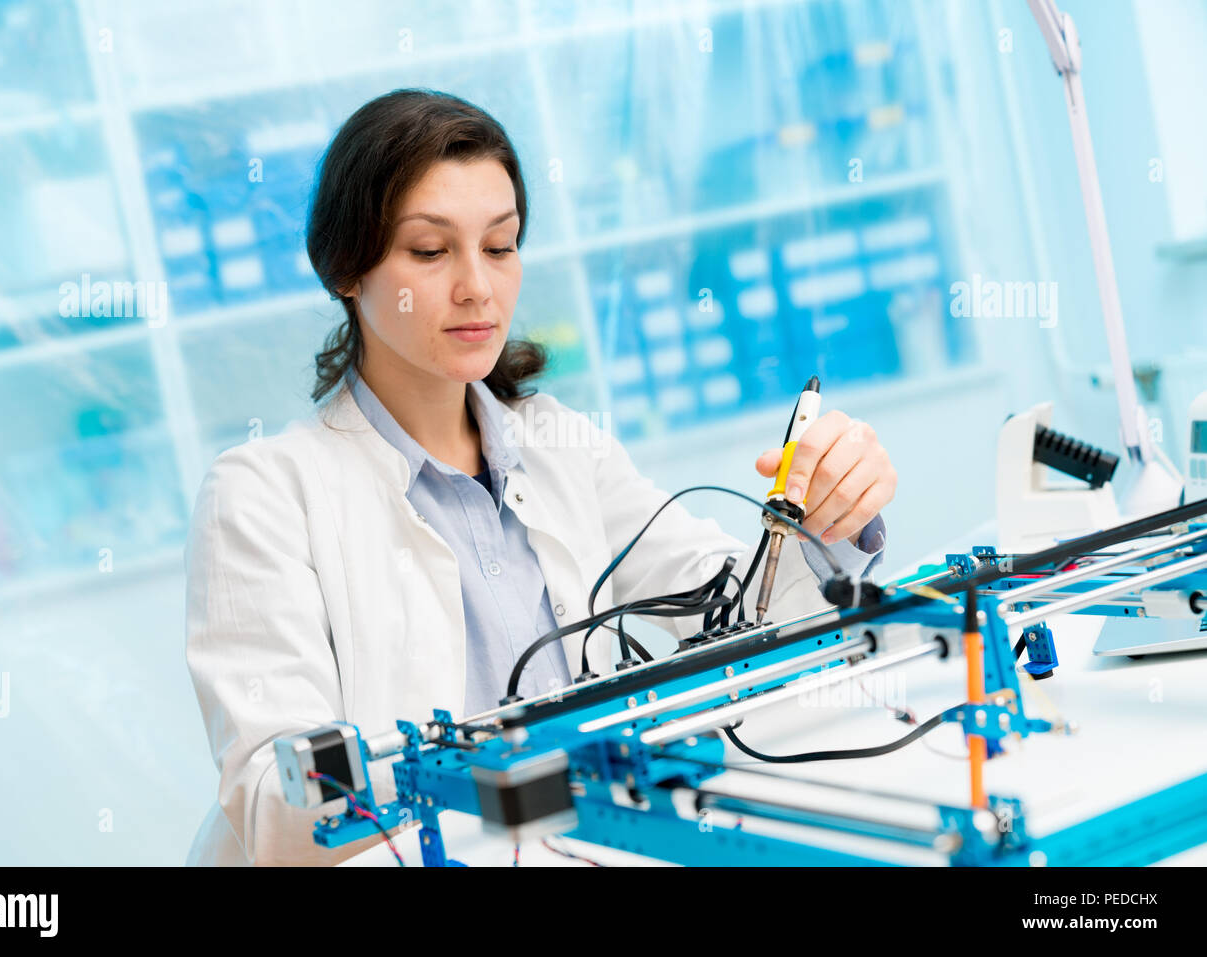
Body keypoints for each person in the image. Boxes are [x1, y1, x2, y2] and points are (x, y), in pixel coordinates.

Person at [184, 89, 895, 866]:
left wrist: (828, 516)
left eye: (500, 245)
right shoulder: (262, 495)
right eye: (430, 251)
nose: (477, 287)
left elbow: (738, 619)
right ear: (347, 268)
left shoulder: (558, 444)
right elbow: (280, 802)